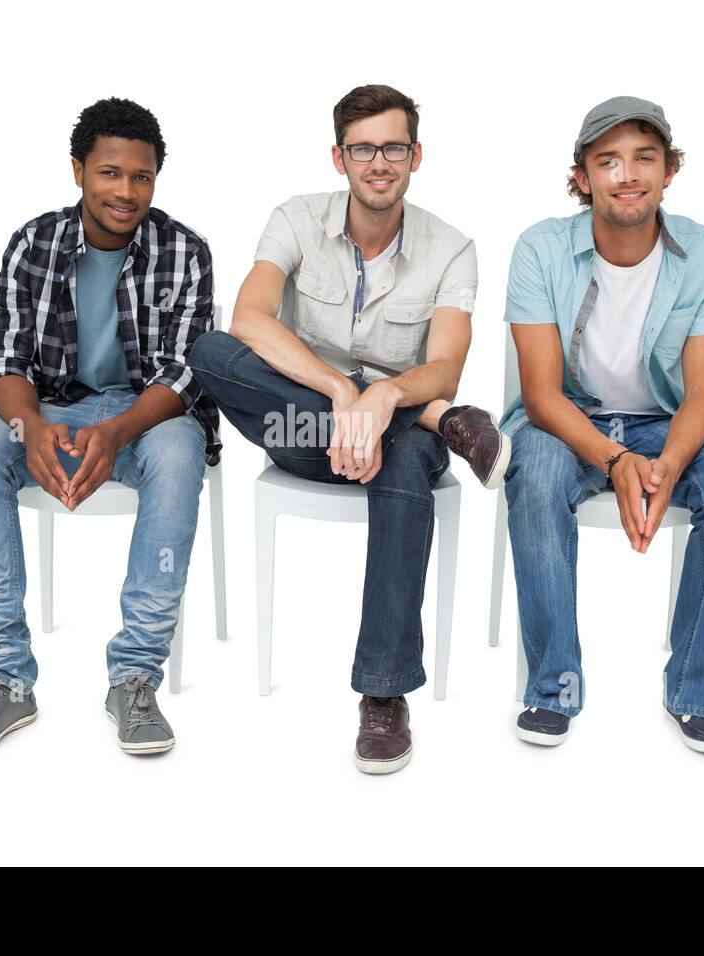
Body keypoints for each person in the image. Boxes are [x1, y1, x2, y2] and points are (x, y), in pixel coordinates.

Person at [189, 84, 509, 775]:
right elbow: (248, 319)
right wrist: (342, 391)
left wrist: (389, 394)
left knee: (399, 455)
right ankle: (441, 427)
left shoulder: (453, 249)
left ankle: (384, 693)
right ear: (339, 156)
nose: (379, 162)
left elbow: (446, 365)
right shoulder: (296, 219)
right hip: (304, 423)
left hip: (400, 434)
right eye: (363, 148)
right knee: (210, 351)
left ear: (416, 154)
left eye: (393, 146)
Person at [0, 97, 218, 760]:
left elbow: (184, 375)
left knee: (182, 451)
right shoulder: (36, 242)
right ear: (78, 172)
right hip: (53, 410)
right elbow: (6, 359)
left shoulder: (185, 250)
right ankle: (3, 680)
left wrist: (117, 432)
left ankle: (135, 679)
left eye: (141, 177)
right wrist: (27, 424)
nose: (125, 191)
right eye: (110, 173)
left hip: (149, 418)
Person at [500, 96, 704, 754]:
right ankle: (552, 686)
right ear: (583, 175)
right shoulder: (539, 248)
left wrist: (667, 463)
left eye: (644, 157)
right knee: (534, 471)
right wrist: (615, 461)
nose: (627, 173)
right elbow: (539, 395)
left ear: (668, 170)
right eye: (608, 160)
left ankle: (700, 690)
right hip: (566, 422)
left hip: (662, 424)